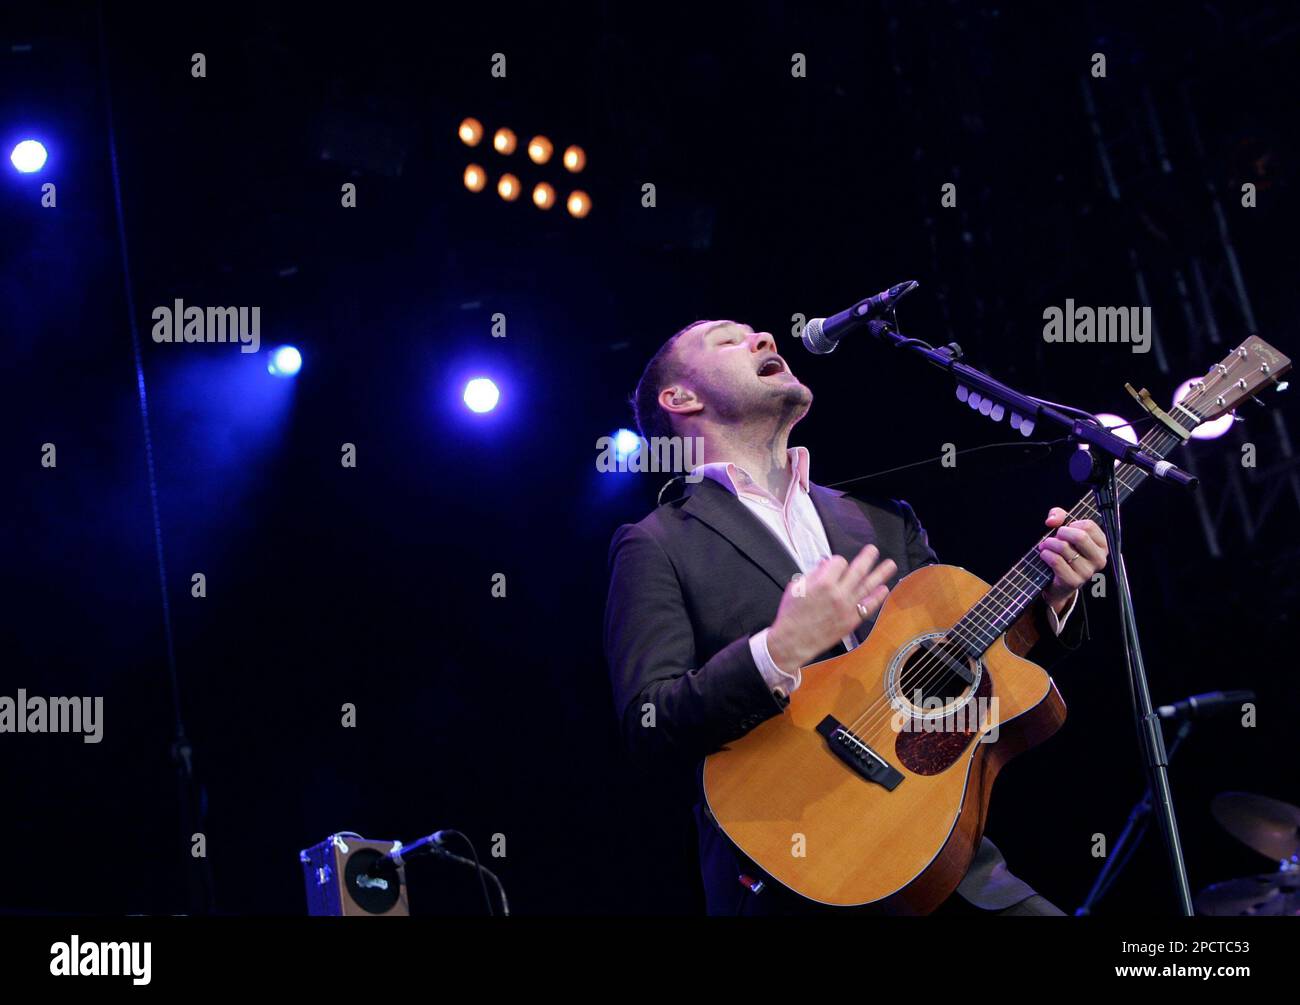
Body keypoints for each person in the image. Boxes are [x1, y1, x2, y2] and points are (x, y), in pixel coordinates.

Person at [603, 319, 1109, 915]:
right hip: (794, 865)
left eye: (760, 334)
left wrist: (1050, 597)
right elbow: (648, 722)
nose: (765, 338)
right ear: (680, 398)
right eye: (728, 340)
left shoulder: (883, 520)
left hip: (944, 852)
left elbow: (961, 665)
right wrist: (777, 650)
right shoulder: (657, 542)